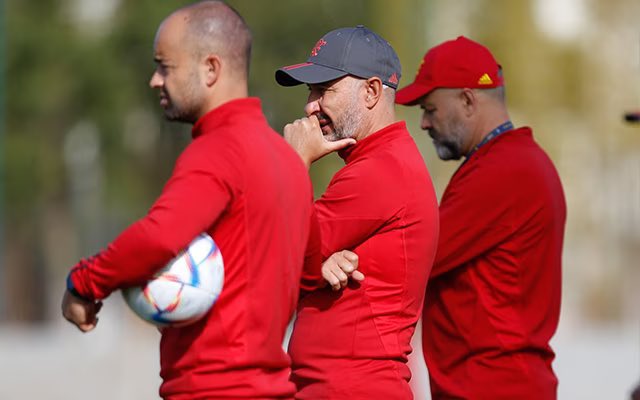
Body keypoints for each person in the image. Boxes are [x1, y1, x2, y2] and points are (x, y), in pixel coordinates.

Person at [61, 1, 320, 399]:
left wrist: (84, 283)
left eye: (165, 66)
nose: (154, 80)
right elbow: (310, 270)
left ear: (211, 69)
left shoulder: (218, 150)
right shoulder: (287, 159)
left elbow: (158, 237)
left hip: (214, 389)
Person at [395, 36, 567, 399]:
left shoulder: (503, 169)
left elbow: (411, 257)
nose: (424, 123)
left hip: (494, 386)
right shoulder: (515, 160)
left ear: (468, 100)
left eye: (430, 109)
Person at [275, 26, 440, 399]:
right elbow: (294, 252)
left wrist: (293, 161)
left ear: (371, 92)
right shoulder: (374, 164)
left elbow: (272, 258)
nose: (310, 106)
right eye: (310, 91)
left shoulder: (381, 169)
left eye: (324, 90)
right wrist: (316, 261)